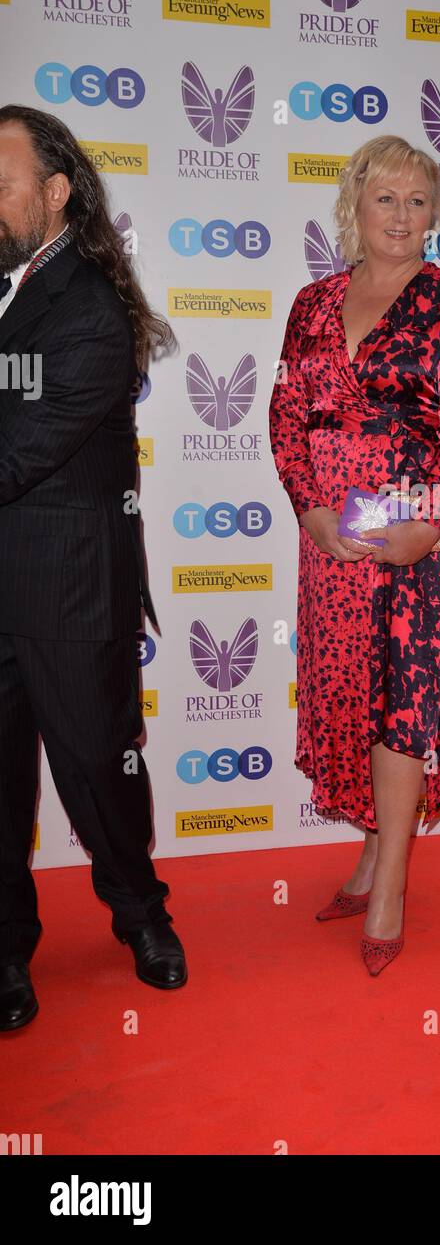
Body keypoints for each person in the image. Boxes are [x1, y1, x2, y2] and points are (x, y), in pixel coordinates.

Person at [269, 134, 440, 975]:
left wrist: (428, 529)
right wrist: (312, 509)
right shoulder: (312, 303)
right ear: (353, 209)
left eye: (417, 200)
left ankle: (392, 880)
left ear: (435, 212)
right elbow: (286, 414)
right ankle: (369, 852)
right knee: (352, 700)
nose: (401, 216)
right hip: (332, 542)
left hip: (411, 541)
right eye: (385, 199)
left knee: (400, 701)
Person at [0, 104, 187, 1032]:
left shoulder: (91, 312)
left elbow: (14, 457)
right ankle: (4, 948)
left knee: (98, 774)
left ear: (55, 192)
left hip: (71, 586)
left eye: (0, 184)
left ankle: (140, 913)